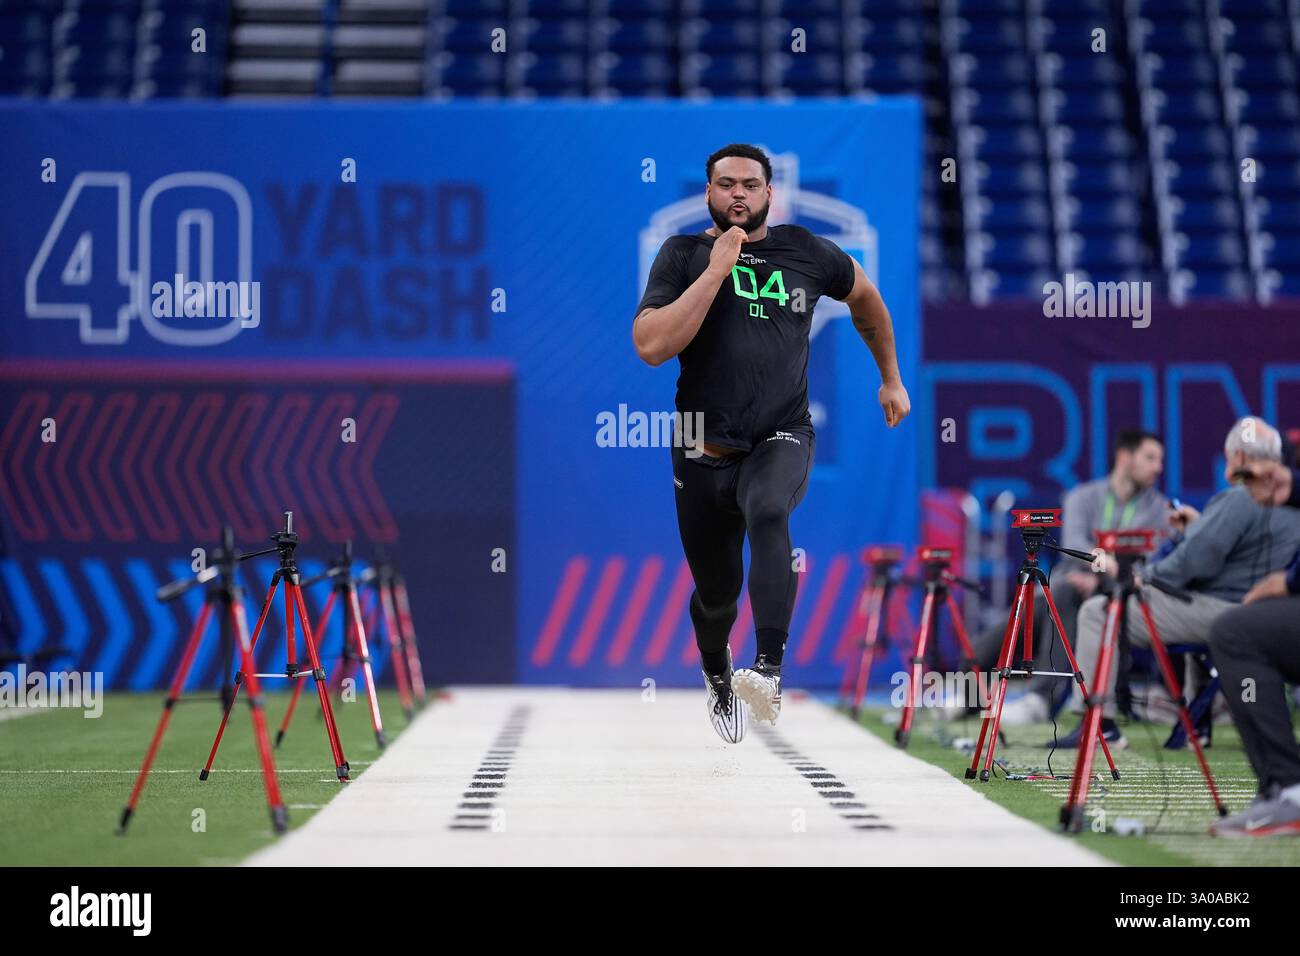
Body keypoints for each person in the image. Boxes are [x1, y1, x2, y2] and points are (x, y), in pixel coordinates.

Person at [632, 143, 910, 742]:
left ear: (768, 194)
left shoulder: (806, 251)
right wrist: (715, 271)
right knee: (716, 597)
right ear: (708, 194)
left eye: (750, 185)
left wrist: (889, 376)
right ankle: (717, 675)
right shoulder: (683, 255)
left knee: (768, 510)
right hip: (700, 445)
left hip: (781, 432)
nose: (739, 194)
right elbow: (651, 346)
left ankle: (768, 670)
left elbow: (866, 299)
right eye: (726, 184)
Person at [1058, 417, 1300, 749]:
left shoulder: (1241, 498)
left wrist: (1144, 577)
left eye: (1230, 456)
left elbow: (1195, 561)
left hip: (1224, 611)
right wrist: (1201, 527)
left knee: (1098, 612)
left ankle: (1101, 725)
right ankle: (1197, 726)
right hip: (1261, 611)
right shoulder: (1290, 504)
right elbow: (1244, 548)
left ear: (1241, 459)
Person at [981, 429, 1170, 725]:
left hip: (1120, 593)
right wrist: (1105, 565)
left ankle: (1040, 700)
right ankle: (965, 691)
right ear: (1124, 457)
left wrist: (1101, 579)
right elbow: (1073, 546)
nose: (1158, 467)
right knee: (1038, 604)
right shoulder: (1081, 496)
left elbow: (1148, 563)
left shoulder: (1160, 509)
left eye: (1160, 460)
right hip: (1073, 586)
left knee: (1058, 595)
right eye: (1150, 458)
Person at [1205, 428, 1300, 836]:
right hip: (1240, 596)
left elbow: (1195, 561)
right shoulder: (1261, 493)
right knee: (1240, 633)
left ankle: (1288, 790)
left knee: (1233, 634)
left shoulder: (1235, 500)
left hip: (1220, 599)